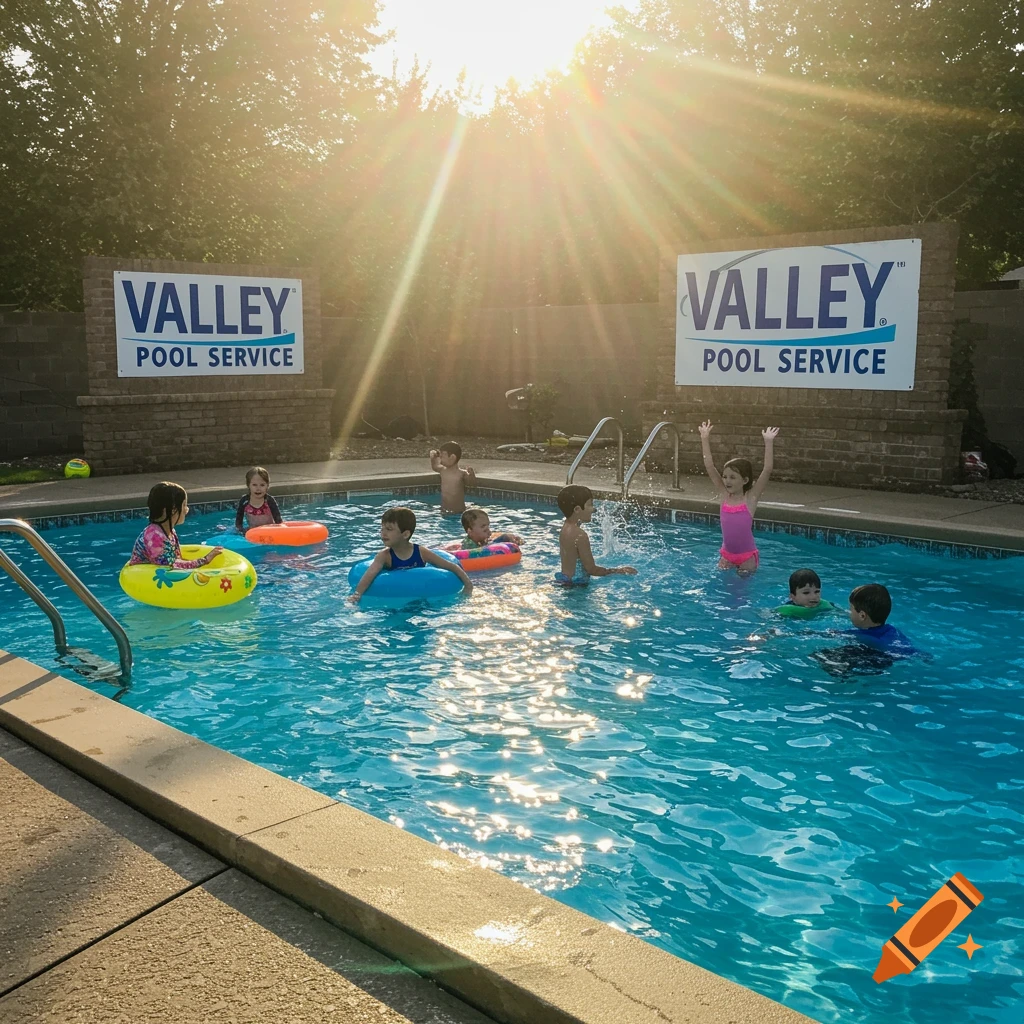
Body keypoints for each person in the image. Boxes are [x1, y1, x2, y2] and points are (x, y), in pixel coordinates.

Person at [698, 420, 779, 573]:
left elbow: (767, 470)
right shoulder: (724, 495)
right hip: (726, 555)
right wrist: (704, 438)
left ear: (745, 480)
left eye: (733, 477)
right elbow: (709, 466)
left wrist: (768, 442)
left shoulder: (750, 498)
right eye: (725, 476)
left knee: (742, 593)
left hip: (747, 557)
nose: (727, 481)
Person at [349, 506, 472, 604]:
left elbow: (450, 566)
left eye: (389, 529)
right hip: (395, 598)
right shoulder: (384, 556)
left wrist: (468, 585)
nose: (383, 533)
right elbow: (369, 575)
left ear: (405, 534)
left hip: (422, 597)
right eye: (382, 529)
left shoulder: (421, 552)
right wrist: (357, 595)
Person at [554, 485, 637, 586]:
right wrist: (618, 571)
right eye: (590, 505)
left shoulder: (565, 529)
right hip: (577, 586)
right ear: (577, 509)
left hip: (565, 580)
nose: (593, 509)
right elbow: (592, 569)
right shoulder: (581, 536)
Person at [129, 482, 223, 569]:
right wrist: (205, 560)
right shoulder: (154, 536)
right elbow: (170, 567)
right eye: (184, 505)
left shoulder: (169, 531)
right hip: (145, 578)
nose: (187, 510)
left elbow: (176, 559)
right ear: (173, 509)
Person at [845, 583, 916, 653]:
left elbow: (835, 634)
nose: (849, 612)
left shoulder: (857, 635)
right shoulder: (893, 631)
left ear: (862, 616)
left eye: (850, 608)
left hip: (872, 656)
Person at [442, 508, 524, 551]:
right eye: (484, 529)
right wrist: (503, 538)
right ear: (470, 531)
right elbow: (481, 551)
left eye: (488, 527)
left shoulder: (481, 540)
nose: (489, 532)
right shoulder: (469, 545)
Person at [430, 442, 476, 514]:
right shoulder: (442, 470)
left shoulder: (462, 473)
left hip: (459, 511)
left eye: (442, 457)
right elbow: (435, 467)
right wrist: (433, 459)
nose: (440, 461)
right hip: (444, 510)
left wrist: (471, 475)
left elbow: (471, 485)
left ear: (452, 458)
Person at [234, 466, 282, 533]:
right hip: (253, 532)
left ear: (267, 485)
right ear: (248, 485)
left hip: (269, 531)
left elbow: (278, 521)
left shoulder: (269, 500)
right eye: (254, 485)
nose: (258, 488)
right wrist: (241, 531)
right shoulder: (244, 501)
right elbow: (238, 522)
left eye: (262, 485)